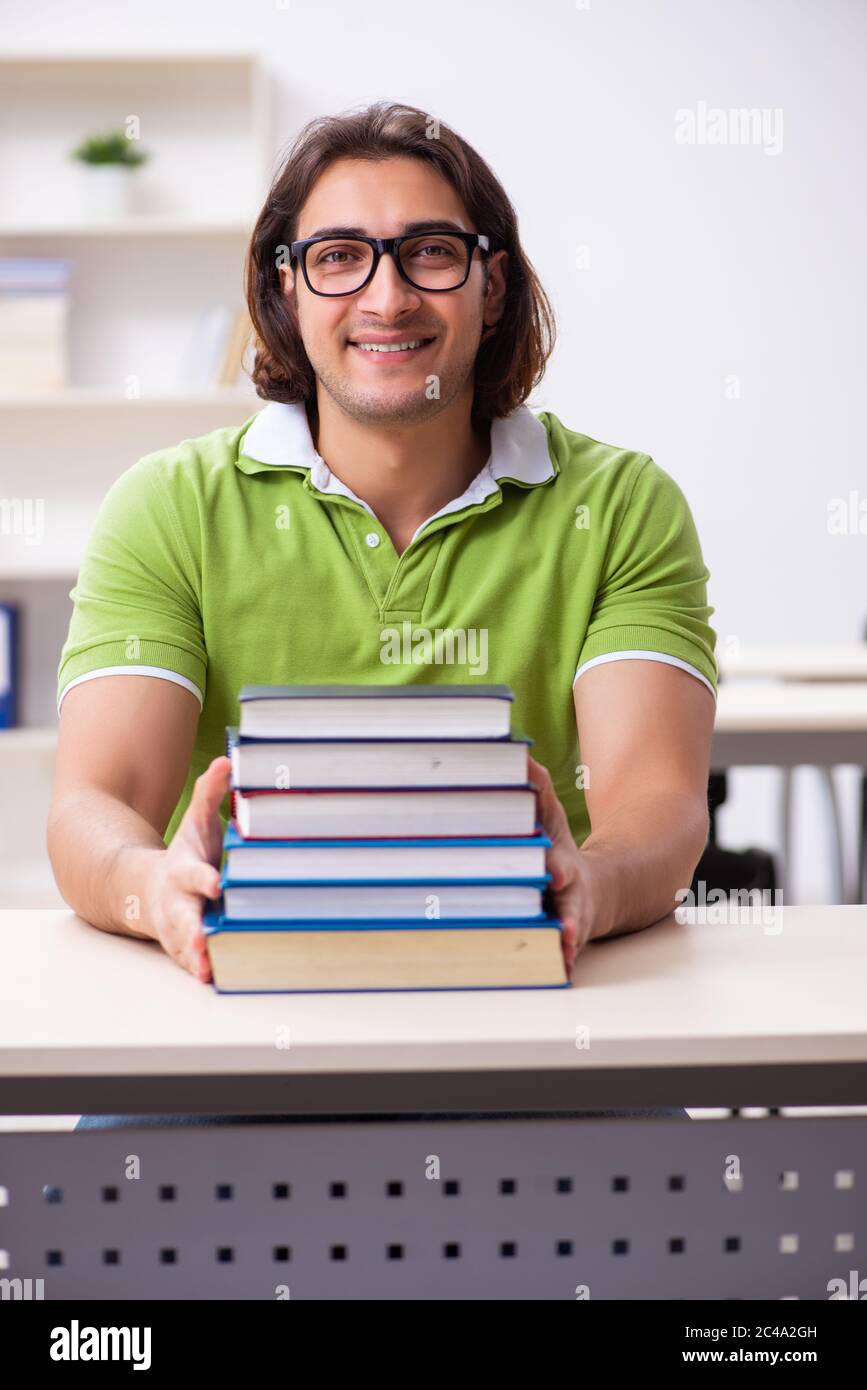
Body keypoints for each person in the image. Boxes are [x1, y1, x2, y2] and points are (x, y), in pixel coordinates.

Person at [49, 102, 715, 1128]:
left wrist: (592, 880)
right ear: (285, 287)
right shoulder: (169, 505)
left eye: (432, 253)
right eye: (340, 256)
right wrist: (153, 884)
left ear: (493, 284)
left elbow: (656, 807)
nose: (388, 295)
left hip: (537, 1017)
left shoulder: (620, 504)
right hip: (228, 1025)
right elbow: (94, 804)